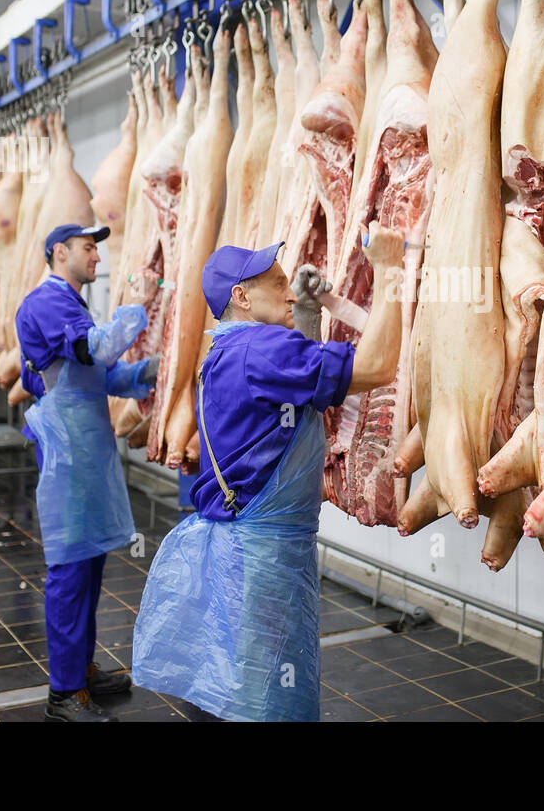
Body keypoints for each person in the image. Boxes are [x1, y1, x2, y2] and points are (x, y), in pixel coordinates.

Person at [132, 221, 405, 721]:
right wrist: (389, 271)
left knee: (236, 676)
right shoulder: (259, 348)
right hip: (260, 555)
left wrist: (303, 311)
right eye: (276, 282)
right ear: (241, 296)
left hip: (242, 546)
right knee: (261, 691)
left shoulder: (231, 349)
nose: (286, 288)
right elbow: (378, 368)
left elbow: (298, 385)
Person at [16, 223, 159, 722]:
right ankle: (63, 693)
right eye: (88, 248)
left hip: (87, 449)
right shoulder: (47, 302)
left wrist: (146, 374)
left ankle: (81, 670)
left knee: (91, 564)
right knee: (71, 570)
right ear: (60, 253)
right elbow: (93, 352)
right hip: (67, 452)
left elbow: (98, 374)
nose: (97, 257)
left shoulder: (73, 306)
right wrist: (137, 307)